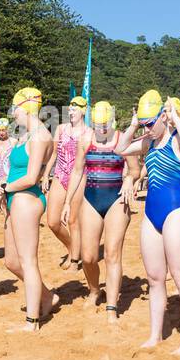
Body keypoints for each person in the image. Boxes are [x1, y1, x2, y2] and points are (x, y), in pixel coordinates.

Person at [121, 90, 180, 353]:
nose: (146, 129)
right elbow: (120, 149)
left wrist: (174, 117)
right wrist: (134, 125)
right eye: (142, 124)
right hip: (152, 212)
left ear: (162, 117)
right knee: (154, 278)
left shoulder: (177, 141)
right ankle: (156, 334)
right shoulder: (148, 143)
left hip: (176, 210)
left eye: (148, 123)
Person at [62, 100, 132, 322]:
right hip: (91, 199)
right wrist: (67, 201)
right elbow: (77, 171)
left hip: (117, 201)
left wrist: (130, 179)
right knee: (89, 256)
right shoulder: (86, 139)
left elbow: (137, 169)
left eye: (105, 124)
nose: (102, 129)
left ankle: (112, 307)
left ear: (111, 120)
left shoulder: (122, 139)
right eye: (98, 125)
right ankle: (94, 290)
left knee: (112, 254)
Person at [0, 87, 57, 332]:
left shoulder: (40, 135)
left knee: (28, 261)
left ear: (25, 108)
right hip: (14, 198)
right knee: (11, 261)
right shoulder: (26, 134)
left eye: (15, 109)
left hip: (26, 198)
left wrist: (5, 186)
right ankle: (47, 295)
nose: (13, 115)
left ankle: (32, 322)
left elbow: (32, 177)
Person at [46, 96, 87, 269]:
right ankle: (71, 247)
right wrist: (45, 174)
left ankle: (75, 259)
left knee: (73, 220)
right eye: (69, 109)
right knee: (53, 222)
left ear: (83, 111)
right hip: (60, 174)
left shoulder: (88, 133)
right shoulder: (61, 129)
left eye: (75, 109)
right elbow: (54, 154)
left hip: (79, 177)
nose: (71, 112)